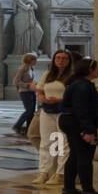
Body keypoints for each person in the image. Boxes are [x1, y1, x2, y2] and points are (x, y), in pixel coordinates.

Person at [58, 57, 98, 194]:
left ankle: (69, 188)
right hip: (77, 123)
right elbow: (82, 109)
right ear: (90, 70)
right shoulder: (82, 86)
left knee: (75, 155)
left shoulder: (80, 84)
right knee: (85, 157)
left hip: (73, 121)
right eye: (97, 68)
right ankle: (88, 191)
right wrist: (88, 130)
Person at [34, 49, 73, 186]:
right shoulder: (48, 74)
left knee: (62, 142)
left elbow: (73, 96)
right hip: (47, 111)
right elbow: (39, 91)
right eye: (58, 58)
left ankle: (60, 174)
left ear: (69, 61)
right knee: (47, 142)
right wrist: (43, 98)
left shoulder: (72, 76)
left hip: (63, 111)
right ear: (54, 60)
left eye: (64, 58)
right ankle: (45, 171)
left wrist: (59, 100)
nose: (61, 61)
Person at [12, 52, 38, 135]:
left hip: (31, 91)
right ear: (30, 60)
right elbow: (16, 81)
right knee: (29, 110)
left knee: (32, 111)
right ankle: (17, 125)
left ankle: (29, 128)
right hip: (25, 92)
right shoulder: (23, 68)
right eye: (35, 59)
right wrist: (27, 85)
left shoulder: (31, 68)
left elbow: (30, 79)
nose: (36, 61)